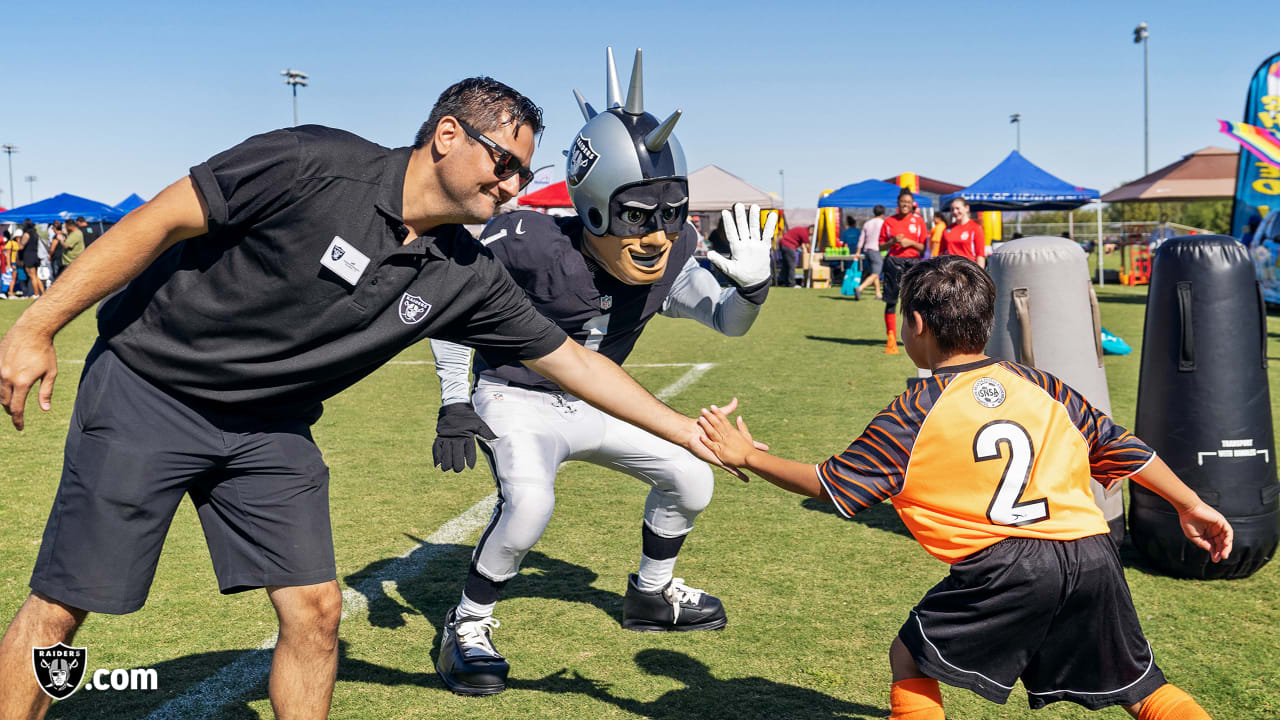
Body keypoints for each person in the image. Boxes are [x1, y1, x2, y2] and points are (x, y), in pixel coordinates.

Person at [0, 76, 737, 720]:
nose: (513, 187)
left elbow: (573, 361)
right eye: (504, 163)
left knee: (317, 611)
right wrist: (37, 325)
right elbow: (162, 217)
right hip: (150, 391)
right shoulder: (313, 161)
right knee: (63, 608)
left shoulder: (465, 272)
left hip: (270, 428)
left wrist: (682, 431)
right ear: (448, 135)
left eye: (524, 172)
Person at [696, 255, 1232, 720]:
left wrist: (746, 455)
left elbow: (831, 485)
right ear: (985, 322)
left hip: (1009, 565)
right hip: (1092, 552)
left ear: (916, 324)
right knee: (1141, 689)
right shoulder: (1040, 384)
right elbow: (1122, 446)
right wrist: (1190, 503)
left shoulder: (914, 411)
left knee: (910, 655)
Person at [429, 50, 774, 696]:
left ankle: (650, 595)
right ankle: (467, 621)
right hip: (515, 396)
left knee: (691, 476)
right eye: (637, 215)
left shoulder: (673, 255)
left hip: (597, 401)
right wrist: (454, 400)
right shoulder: (529, 242)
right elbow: (450, 304)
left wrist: (754, 291)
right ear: (591, 207)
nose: (658, 236)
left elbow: (727, 320)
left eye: (670, 213)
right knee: (530, 503)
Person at [877, 189, 927, 354]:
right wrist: (892, 242)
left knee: (914, 302)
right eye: (902, 201)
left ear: (912, 204)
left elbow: (923, 248)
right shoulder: (889, 221)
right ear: (898, 203)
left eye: (908, 202)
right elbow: (880, 246)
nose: (905, 204)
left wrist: (910, 243)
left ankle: (915, 336)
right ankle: (891, 337)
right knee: (891, 301)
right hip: (893, 262)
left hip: (913, 263)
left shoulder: (918, 221)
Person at [937, 197, 988, 268]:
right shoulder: (947, 229)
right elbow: (941, 253)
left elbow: (980, 255)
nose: (955, 212)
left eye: (957, 208)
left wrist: (979, 272)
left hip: (968, 269)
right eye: (952, 209)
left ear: (966, 208)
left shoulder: (975, 228)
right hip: (950, 269)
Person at [855, 204, 885, 300]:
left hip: (866, 250)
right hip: (875, 250)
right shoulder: (883, 223)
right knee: (876, 273)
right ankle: (860, 288)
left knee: (874, 272)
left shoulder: (867, 223)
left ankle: (878, 293)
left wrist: (858, 252)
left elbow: (861, 239)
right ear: (883, 213)